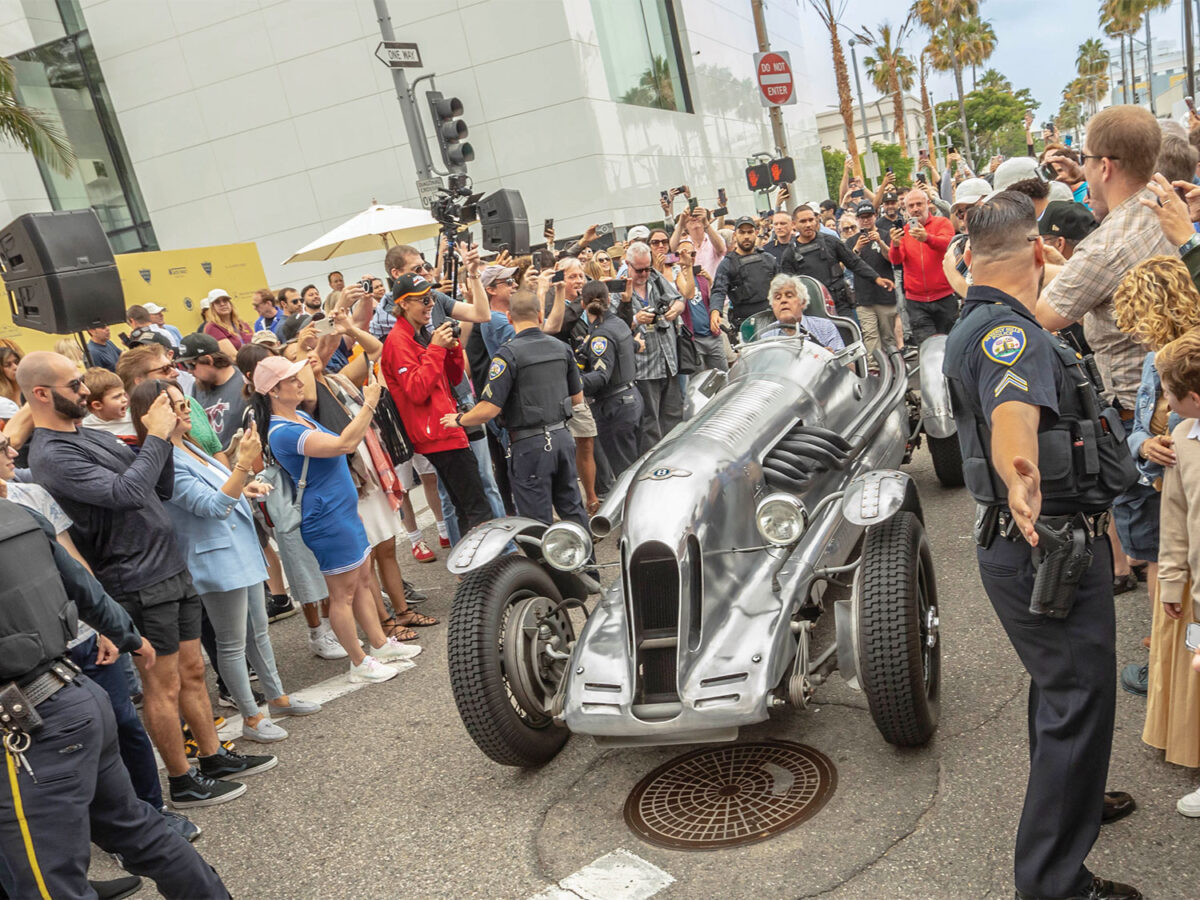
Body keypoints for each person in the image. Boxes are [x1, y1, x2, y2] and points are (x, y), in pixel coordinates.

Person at [942, 192, 1141, 900]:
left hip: (1031, 539)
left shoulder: (979, 317)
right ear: (1038, 252)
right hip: (1043, 541)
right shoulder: (1011, 337)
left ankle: (1075, 800)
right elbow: (1012, 415)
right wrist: (1019, 474)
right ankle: (1055, 882)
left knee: (1063, 694)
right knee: (1077, 699)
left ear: (969, 259)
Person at [19, 351, 274, 809]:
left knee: (193, 671)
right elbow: (126, 493)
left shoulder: (88, 437)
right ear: (41, 394)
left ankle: (212, 758)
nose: (83, 390)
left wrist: (171, 435)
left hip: (169, 567)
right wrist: (156, 435)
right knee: (163, 684)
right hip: (134, 578)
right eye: (74, 384)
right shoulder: (53, 455)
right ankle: (182, 780)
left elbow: (155, 485)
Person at [0, 497, 232, 899]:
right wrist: (125, 633)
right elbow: (81, 585)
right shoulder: (15, 513)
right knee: (135, 829)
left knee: (47, 885)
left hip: (27, 725)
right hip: (71, 693)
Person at [129, 379, 321, 742]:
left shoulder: (187, 446)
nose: (185, 408)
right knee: (233, 642)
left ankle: (277, 697)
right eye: (174, 405)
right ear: (150, 415)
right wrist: (243, 468)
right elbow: (213, 506)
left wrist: (242, 483)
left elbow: (217, 492)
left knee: (258, 633)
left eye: (183, 402)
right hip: (215, 560)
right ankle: (250, 717)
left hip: (237, 550)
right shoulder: (163, 459)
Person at [252, 355, 419, 683]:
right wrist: (369, 403)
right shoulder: (282, 431)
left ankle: (380, 644)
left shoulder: (299, 415)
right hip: (326, 517)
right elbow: (345, 443)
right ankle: (358, 662)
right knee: (342, 594)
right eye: (291, 380)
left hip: (341, 511)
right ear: (273, 390)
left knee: (362, 583)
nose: (300, 383)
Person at [1111, 257, 1200, 711]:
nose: (1136, 330)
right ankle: (1167, 661)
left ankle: (1171, 669)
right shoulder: (1154, 359)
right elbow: (1140, 427)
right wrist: (1145, 447)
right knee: (1162, 570)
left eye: (1138, 317)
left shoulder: (1181, 354)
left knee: (1175, 576)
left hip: (1185, 489)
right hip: (1158, 483)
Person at [443, 289, 588, 528]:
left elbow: (489, 409)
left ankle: (545, 565)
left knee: (537, 519)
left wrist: (459, 419)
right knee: (572, 508)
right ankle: (586, 563)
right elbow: (578, 398)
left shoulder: (506, 355)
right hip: (562, 437)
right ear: (540, 315)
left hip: (529, 446)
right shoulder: (561, 348)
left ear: (509, 317)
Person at [380, 274, 494, 536]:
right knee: (478, 510)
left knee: (468, 508)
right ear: (403, 304)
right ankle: (486, 569)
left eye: (431, 298)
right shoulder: (398, 341)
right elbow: (417, 390)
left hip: (447, 429)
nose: (431, 304)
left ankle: (473, 571)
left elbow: (454, 377)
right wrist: (436, 349)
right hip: (439, 433)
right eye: (423, 300)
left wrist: (451, 348)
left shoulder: (421, 334)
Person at [1151, 330, 1200, 816]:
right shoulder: (1182, 440)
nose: (1164, 399)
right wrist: (1170, 583)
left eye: (1168, 392)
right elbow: (1175, 521)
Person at [614, 241, 685, 452]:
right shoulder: (618, 289)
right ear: (627, 264)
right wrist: (635, 319)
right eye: (640, 270)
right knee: (649, 423)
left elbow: (680, 299)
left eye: (647, 268)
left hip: (668, 360)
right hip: (643, 368)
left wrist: (676, 309)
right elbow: (613, 328)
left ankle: (677, 456)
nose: (645, 273)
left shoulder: (656, 277)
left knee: (674, 417)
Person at [580, 280, 644, 477]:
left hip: (615, 407)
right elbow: (626, 348)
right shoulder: (617, 324)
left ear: (583, 304)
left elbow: (601, 376)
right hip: (632, 399)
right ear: (609, 300)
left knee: (625, 473)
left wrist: (574, 384)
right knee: (635, 466)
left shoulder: (601, 334)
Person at [783, 205, 892, 319]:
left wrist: (876, 278)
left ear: (816, 220)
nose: (808, 224)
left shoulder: (831, 241)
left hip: (840, 305)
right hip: (813, 310)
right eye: (803, 221)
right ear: (794, 224)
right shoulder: (790, 253)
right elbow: (788, 287)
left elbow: (854, 262)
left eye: (811, 220)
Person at [888, 187, 957, 344]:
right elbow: (896, 260)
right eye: (911, 206)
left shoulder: (942, 223)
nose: (915, 209)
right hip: (916, 301)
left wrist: (928, 238)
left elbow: (949, 244)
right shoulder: (904, 231)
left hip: (944, 296)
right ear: (905, 209)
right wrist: (896, 245)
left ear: (927, 204)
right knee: (927, 346)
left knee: (951, 343)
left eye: (919, 204)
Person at [176, 333, 246, 451]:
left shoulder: (245, 384)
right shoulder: (198, 386)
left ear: (209, 360)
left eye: (190, 365)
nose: (188, 371)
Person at [845, 201, 898, 355]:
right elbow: (848, 265)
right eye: (862, 217)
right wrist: (857, 249)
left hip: (886, 295)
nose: (866, 220)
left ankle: (895, 365)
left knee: (888, 337)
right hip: (864, 298)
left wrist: (880, 242)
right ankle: (875, 368)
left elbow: (892, 258)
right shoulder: (851, 241)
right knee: (870, 336)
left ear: (875, 216)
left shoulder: (886, 234)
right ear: (858, 219)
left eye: (868, 216)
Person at [710, 216, 780, 332]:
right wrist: (715, 311)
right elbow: (718, 290)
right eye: (742, 232)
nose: (746, 236)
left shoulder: (768, 259)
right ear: (735, 235)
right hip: (745, 325)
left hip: (773, 319)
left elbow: (783, 286)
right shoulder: (727, 264)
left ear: (756, 233)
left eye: (750, 232)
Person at [755, 275, 845, 349]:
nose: (783, 301)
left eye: (789, 296)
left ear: (803, 302)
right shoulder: (766, 337)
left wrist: (832, 359)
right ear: (772, 306)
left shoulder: (824, 328)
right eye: (777, 298)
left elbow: (848, 367)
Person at [81, 366, 135, 442]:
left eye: (124, 394)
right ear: (97, 405)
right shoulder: (86, 428)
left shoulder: (135, 421)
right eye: (117, 397)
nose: (125, 400)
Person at [202, 289, 252, 356]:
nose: (222, 304)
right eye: (217, 302)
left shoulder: (241, 323)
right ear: (212, 307)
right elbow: (233, 356)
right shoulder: (212, 327)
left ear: (230, 304)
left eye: (225, 300)